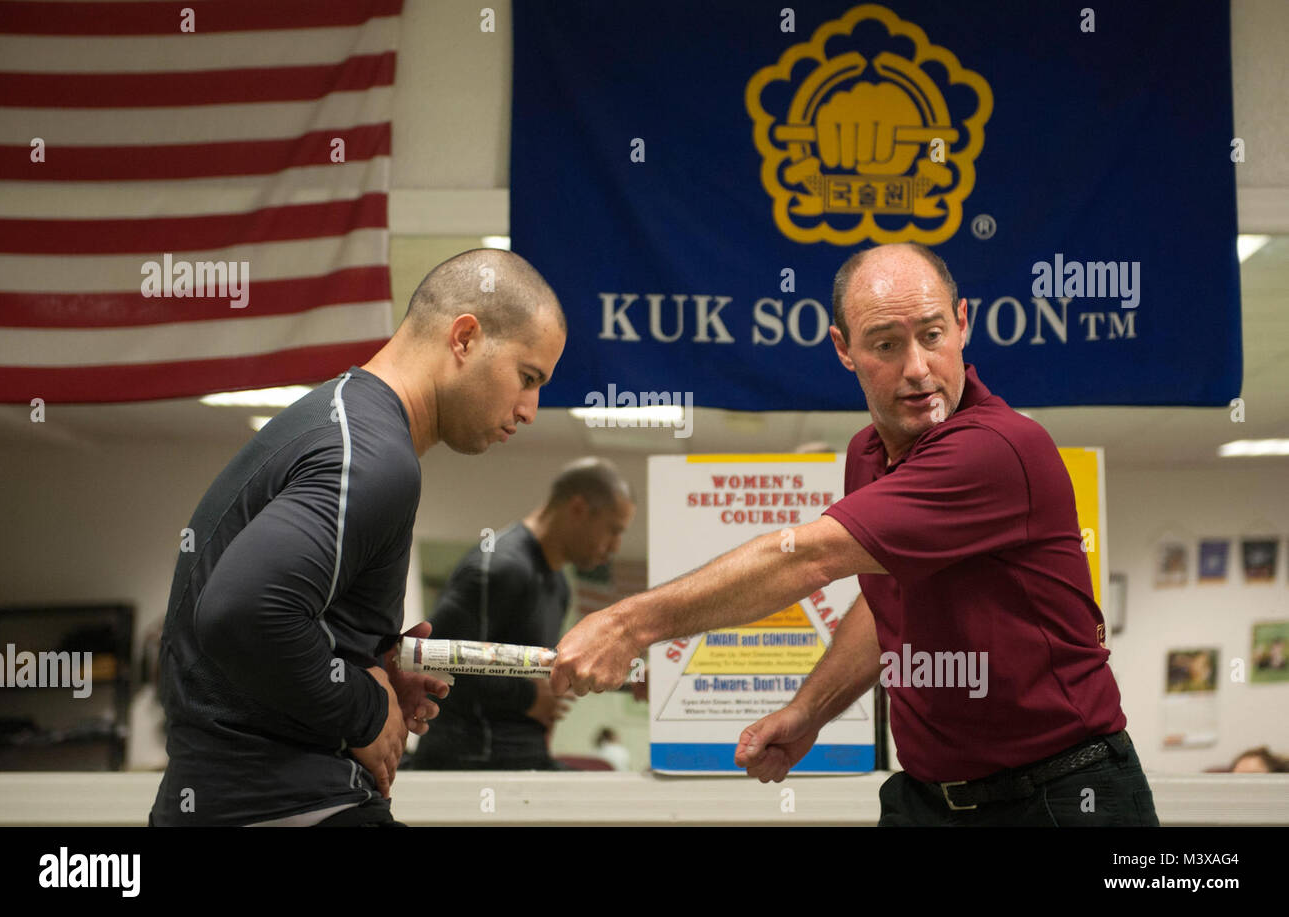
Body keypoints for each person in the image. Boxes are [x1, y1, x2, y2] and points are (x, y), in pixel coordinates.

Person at [550, 242, 1159, 826]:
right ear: (843, 348)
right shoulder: (866, 454)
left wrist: (628, 624)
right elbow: (886, 597)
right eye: (886, 344)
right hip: (929, 798)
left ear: (963, 323)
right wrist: (808, 711)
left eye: (932, 335)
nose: (917, 369)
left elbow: (807, 559)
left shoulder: (999, 449)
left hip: (1060, 794)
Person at [150, 249, 566, 825]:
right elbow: (242, 611)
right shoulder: (373, 457)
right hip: (282, 804)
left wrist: (367, 663)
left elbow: (265, 619)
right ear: (465, 337)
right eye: (528, 377)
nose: (530, 410)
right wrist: (365, 708)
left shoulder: (345, 423)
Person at [412, 458, 635, 770]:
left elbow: (536, 676)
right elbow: (435, 662)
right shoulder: (501, 567)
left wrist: (632, 679)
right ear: (578, 509)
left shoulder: (558, 584)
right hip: (466, 765)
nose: (614, 547)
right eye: (613, 530)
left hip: (521, 759)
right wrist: (528, 697)